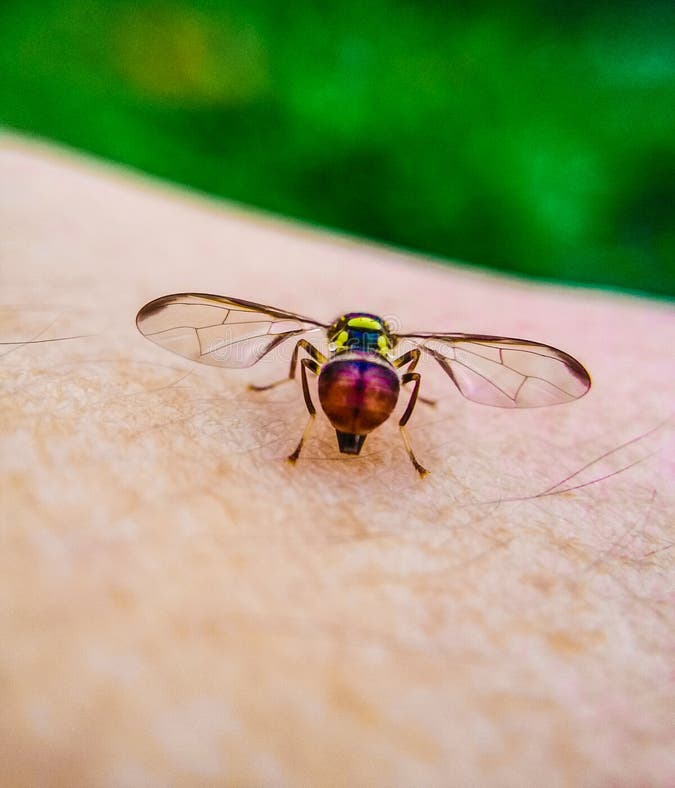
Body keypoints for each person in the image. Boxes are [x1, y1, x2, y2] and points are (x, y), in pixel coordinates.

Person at [2, 136, 673, 787]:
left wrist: (299, 401)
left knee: (302, 359)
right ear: (382, 343)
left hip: (333, 402)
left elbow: (273, 343)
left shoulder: (316, 347)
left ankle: (317, 432)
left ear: (339, 337)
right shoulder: (403, 358)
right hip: (376, 405)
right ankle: (395, 441)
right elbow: (428, 368)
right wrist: (402, 422)